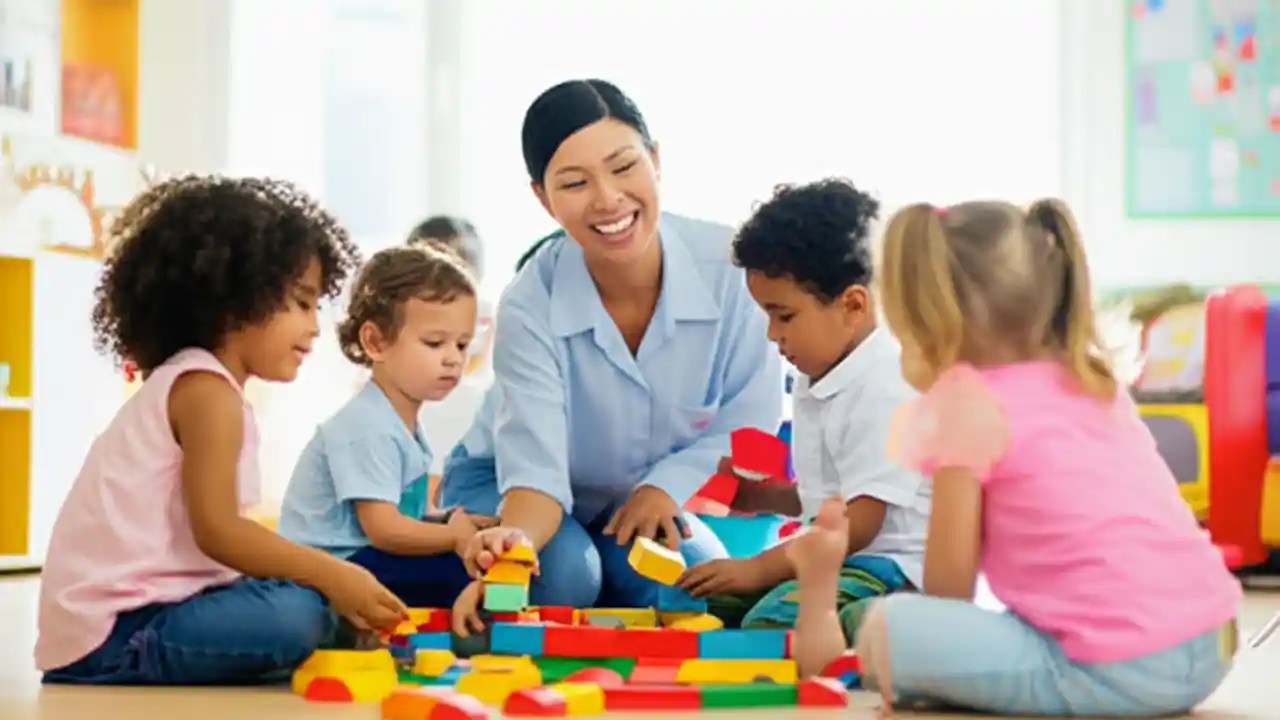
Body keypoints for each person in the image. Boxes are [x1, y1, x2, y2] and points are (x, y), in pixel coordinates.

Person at [786, 199, 1242, 717]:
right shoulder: (1086, 377)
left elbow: (948, 590)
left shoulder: (964, 404)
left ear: (929, 319)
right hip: (1213, 641)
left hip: (1117, 669)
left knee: (888, 628)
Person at [36, 176, 408, 685]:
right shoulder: (206, 393)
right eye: (301, 303)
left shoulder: (202, 385)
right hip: (117, 636)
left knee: (301, 598)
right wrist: (331, 576)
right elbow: (219, 532)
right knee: (297, 613)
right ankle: (326, 627)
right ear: (237, 302)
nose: (315, 327)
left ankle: (326, 622)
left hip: (141, 616)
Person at [440, 78, 783, 608]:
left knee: (700, 597)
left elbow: (748, 422)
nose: (608, 199)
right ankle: (450, 547)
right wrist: (513, 551)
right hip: (512, 484)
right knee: (559, 584)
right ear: (543, 198)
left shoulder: (731, 269)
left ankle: (605, 564)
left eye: (624, 167)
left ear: (655, 160)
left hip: (640, 498)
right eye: (575, 183)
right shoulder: (530, 303)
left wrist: (664, 487)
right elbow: (535, 476)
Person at [677, 179, 929, 638]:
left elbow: (859, 524)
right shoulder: (821, 373)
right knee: (703, 603)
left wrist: (757, 569)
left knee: (770, 624)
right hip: (836, 554)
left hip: (888, 568)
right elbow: (831, 495)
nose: (773, 335)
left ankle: (890, 627)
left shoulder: (886, 386)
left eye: (784, 316)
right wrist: (765, 496)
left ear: (852, 305)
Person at [279, 244, 505, 607]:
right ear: (375, 341)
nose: (452, 359)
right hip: (333, 568)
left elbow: (402, 513)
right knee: (462, 570)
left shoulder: (401, 421)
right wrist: (453, 537)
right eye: (434, 343)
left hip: (364, 556)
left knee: (475, 563)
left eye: (462, 345)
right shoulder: (367, 426)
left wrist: (449, 518)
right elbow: (384, 530)